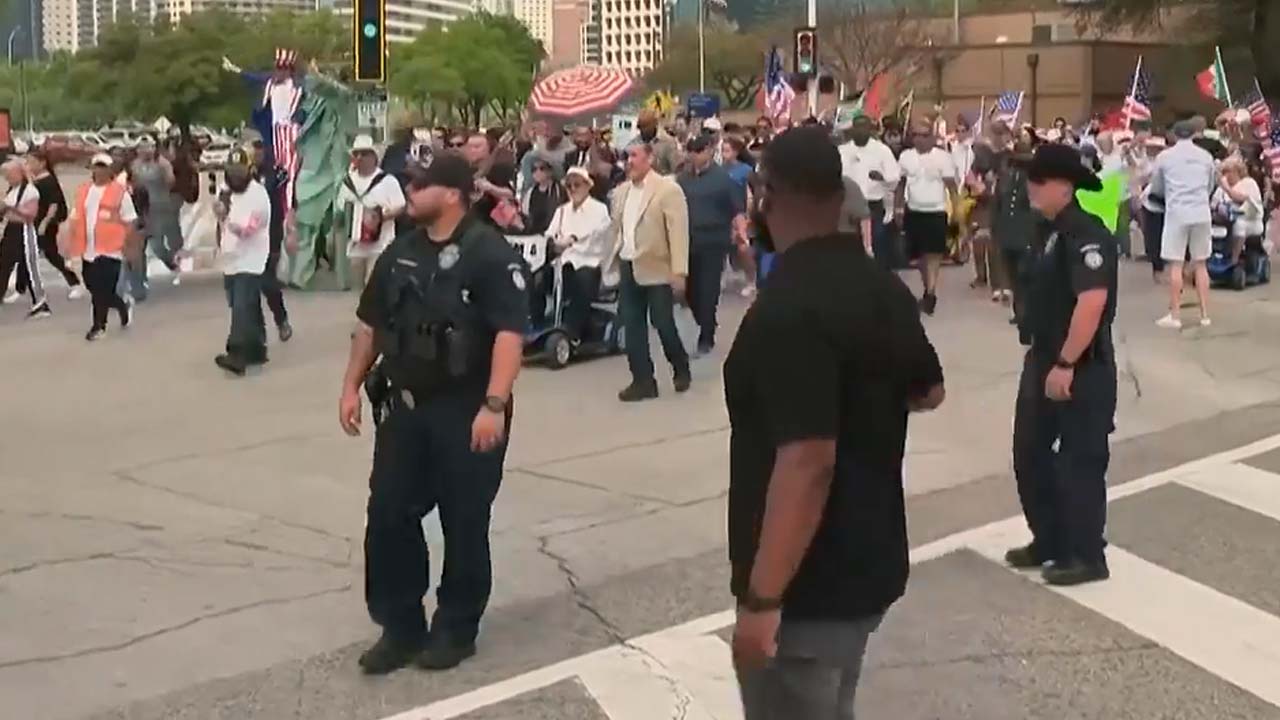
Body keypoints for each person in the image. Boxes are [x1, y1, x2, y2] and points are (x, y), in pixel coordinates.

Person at [725, 126, 945, 719]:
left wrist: (764, 597)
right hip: (870, 557)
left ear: (769, 196)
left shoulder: (787, 308)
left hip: (807, 585)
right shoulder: (881, 287)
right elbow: (930, 390)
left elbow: (807, 460)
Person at [339, 152, 527, 676]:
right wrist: (351, 385)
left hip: (467, 409)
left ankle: (456, 626)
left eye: (419, 185)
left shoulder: (489, 254)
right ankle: (399, 626)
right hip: (404, 409)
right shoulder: (399, 253)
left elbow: (510, 334)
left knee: (464, 521)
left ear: (451, 194)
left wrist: (494, 404)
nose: (409, 192)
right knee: (389, 514)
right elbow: (369, 325)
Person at [1008, 143, 1118, 586]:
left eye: (1039, 180)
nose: (1030, 187)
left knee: (1079, 460)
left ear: (1066, 186)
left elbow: (1091, 303)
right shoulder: (1045, 230)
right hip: (1042, 358)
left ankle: (1087, 553)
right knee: (1029, 454)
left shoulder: (1085, 234)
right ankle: (1050, 539)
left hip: (1080, 364)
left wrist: (1067, 362)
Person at [611, 142, 691, 402]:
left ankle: (680, 366)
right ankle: (643, 380)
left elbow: (678, 233)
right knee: (632, 326)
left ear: (650, 158)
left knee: (663, 323)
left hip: (658, 269)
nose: (629, 162)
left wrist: (679, 271)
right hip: (629, 263)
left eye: (634, 156)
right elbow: (617, 229)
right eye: (626, 157)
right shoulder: (621, 192)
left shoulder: (668, 190)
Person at [677, 134, 746, 355]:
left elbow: (737, 210)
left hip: (713, 241)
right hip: (688, 240)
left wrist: (741, 235)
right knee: (688, 293)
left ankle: (706, 335)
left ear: (708, 151)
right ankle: (705, 320)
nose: (694, 156)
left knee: (707, 289)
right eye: (691, 151)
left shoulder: (723, 179)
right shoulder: (683, 179)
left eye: (698, 151)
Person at [63, 154, 139, 340]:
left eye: (104, 166)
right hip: (88, 248)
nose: (100, 170)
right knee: (95, 287)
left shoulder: (120, 192)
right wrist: (67, 243)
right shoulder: (84, 191)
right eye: (97, 166)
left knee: (101, 290)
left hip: (111, 249)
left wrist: (130, 247)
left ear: (110, 170)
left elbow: (130, 221)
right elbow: (74, 218)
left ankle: (99, 326)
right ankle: (122, 306)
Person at [1150, 120, 1217, 329]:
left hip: (1177, 212)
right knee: (1201, 264)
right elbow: (1210, 185)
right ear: (1194, 135)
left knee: (1176, 264)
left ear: (1174, 135)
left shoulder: (1165, 157)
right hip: (1201, 211)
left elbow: (1157, 187)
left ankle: (1176, 315)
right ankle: (1205, 315)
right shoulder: (1205, 157)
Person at [213, 148, 273, 376]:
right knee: (245, 304)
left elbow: (249, 230)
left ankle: (237, 354)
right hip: (230, 258)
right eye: (231, 171)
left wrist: (226, 217)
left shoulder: (259, 196)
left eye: (240, 171)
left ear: (250, 170)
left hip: (251, 259)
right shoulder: (225, 190)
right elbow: (220, 217)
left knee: (241, 306)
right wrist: (219, 212)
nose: (235, 176)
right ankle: (258, 348)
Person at [895, 121, 959, 314]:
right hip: (913, 211)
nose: (919, 139)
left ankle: (930, 293)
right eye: (915, 135)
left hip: (936, 212)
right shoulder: (906, 157)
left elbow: (952, 188)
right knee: (920, 257)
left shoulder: (943, 158)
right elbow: (900, 185)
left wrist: (957, 212)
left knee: (933, 254)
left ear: (932, 137)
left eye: (923, 135)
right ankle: (927, 289)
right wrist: (898, 209)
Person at [546, 166, 612, 339]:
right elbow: (549, 234)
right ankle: (536, 326)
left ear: (587, 186)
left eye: (577, 184)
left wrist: (573, 239)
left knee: (582, 282)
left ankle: (571, 332)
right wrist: (553, 244)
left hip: (589, 262)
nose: (573, 189)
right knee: (536, 278)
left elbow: (596, 232)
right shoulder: (561, 211)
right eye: (569, 186)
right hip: (562, 263)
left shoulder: (599, 210)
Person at [337, 134, 407, 291]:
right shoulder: (348, 182)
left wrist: (379, 217)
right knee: (359, 288)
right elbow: (342, 207)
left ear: (374, 156)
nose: (360, 157)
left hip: (381, 243)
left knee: (373, 285)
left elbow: (401, 206)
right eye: (357, 154)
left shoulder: (387, 180)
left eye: (365, 153)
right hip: (355, 244)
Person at [12, 151, 81, 302]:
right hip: (33, 223)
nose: (28, 165)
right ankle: (20, 288)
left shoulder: (49, 181)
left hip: (45, 224)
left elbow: (54, 204)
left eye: (31, 162)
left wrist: (45, 223)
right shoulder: (34, 180)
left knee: (52, 255)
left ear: (42, 163)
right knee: (25, 255)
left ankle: (75, 283)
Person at [840, 115, 901, 270]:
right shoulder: (843, 151)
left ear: (870, 130)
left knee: (875, 244)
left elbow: (894, 177)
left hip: (873, 205)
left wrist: (882, 178)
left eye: (863, 127)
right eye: (857, 127)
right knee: (849, 246)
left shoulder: (881, 150)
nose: (860, 131)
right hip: (849, 206)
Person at [250, 140, 293, 342]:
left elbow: (284, 202)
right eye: (253, 151)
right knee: (247, 289)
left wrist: (282, 235)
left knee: (268, 283)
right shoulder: (241, 175)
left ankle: (281, 319)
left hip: (269, 234)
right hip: (246, 239)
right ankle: (256, 331)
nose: (256, 155)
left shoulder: (274, 173)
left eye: (259, 151)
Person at [130, 136, 183, 297]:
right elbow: (132, 183)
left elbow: (171, 181)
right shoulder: (135, 165)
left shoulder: (162, 163)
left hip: (159, 207)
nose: (146, 151)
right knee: (140, 246)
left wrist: (164, 174)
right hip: (140, 208)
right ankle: (141, 280)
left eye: (150, 147)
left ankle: (170, 262)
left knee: (157, 244)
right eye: (142, 148)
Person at [0, 158, 52, 318]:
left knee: (30, 266)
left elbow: (30, 215)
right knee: (3, 262)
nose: (7, 178)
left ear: (19, 174)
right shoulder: (12, 190)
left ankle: (41, 302)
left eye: (9, 174)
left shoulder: (30, 191)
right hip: (10, 229)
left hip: (23, 231)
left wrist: (10, 208)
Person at [1216, 157, 1264, 265]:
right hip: (1227, 221)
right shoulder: (1221, 189)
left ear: (1237, 171)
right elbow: (1214, 203)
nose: (1225, 175)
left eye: (1228, 172)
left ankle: (1234, 260)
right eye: (1223, 172)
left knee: (1239, 226)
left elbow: (1241, 198)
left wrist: (1227, 188)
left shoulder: (1248, 183)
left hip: (1250, 220)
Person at [632, 109, 681, 176]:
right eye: (640, 127)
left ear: (654, 124)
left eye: (645, 127)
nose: (642, 131)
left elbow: (676, 169)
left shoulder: (668, 142)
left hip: (662, 182)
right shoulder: (636, 142)